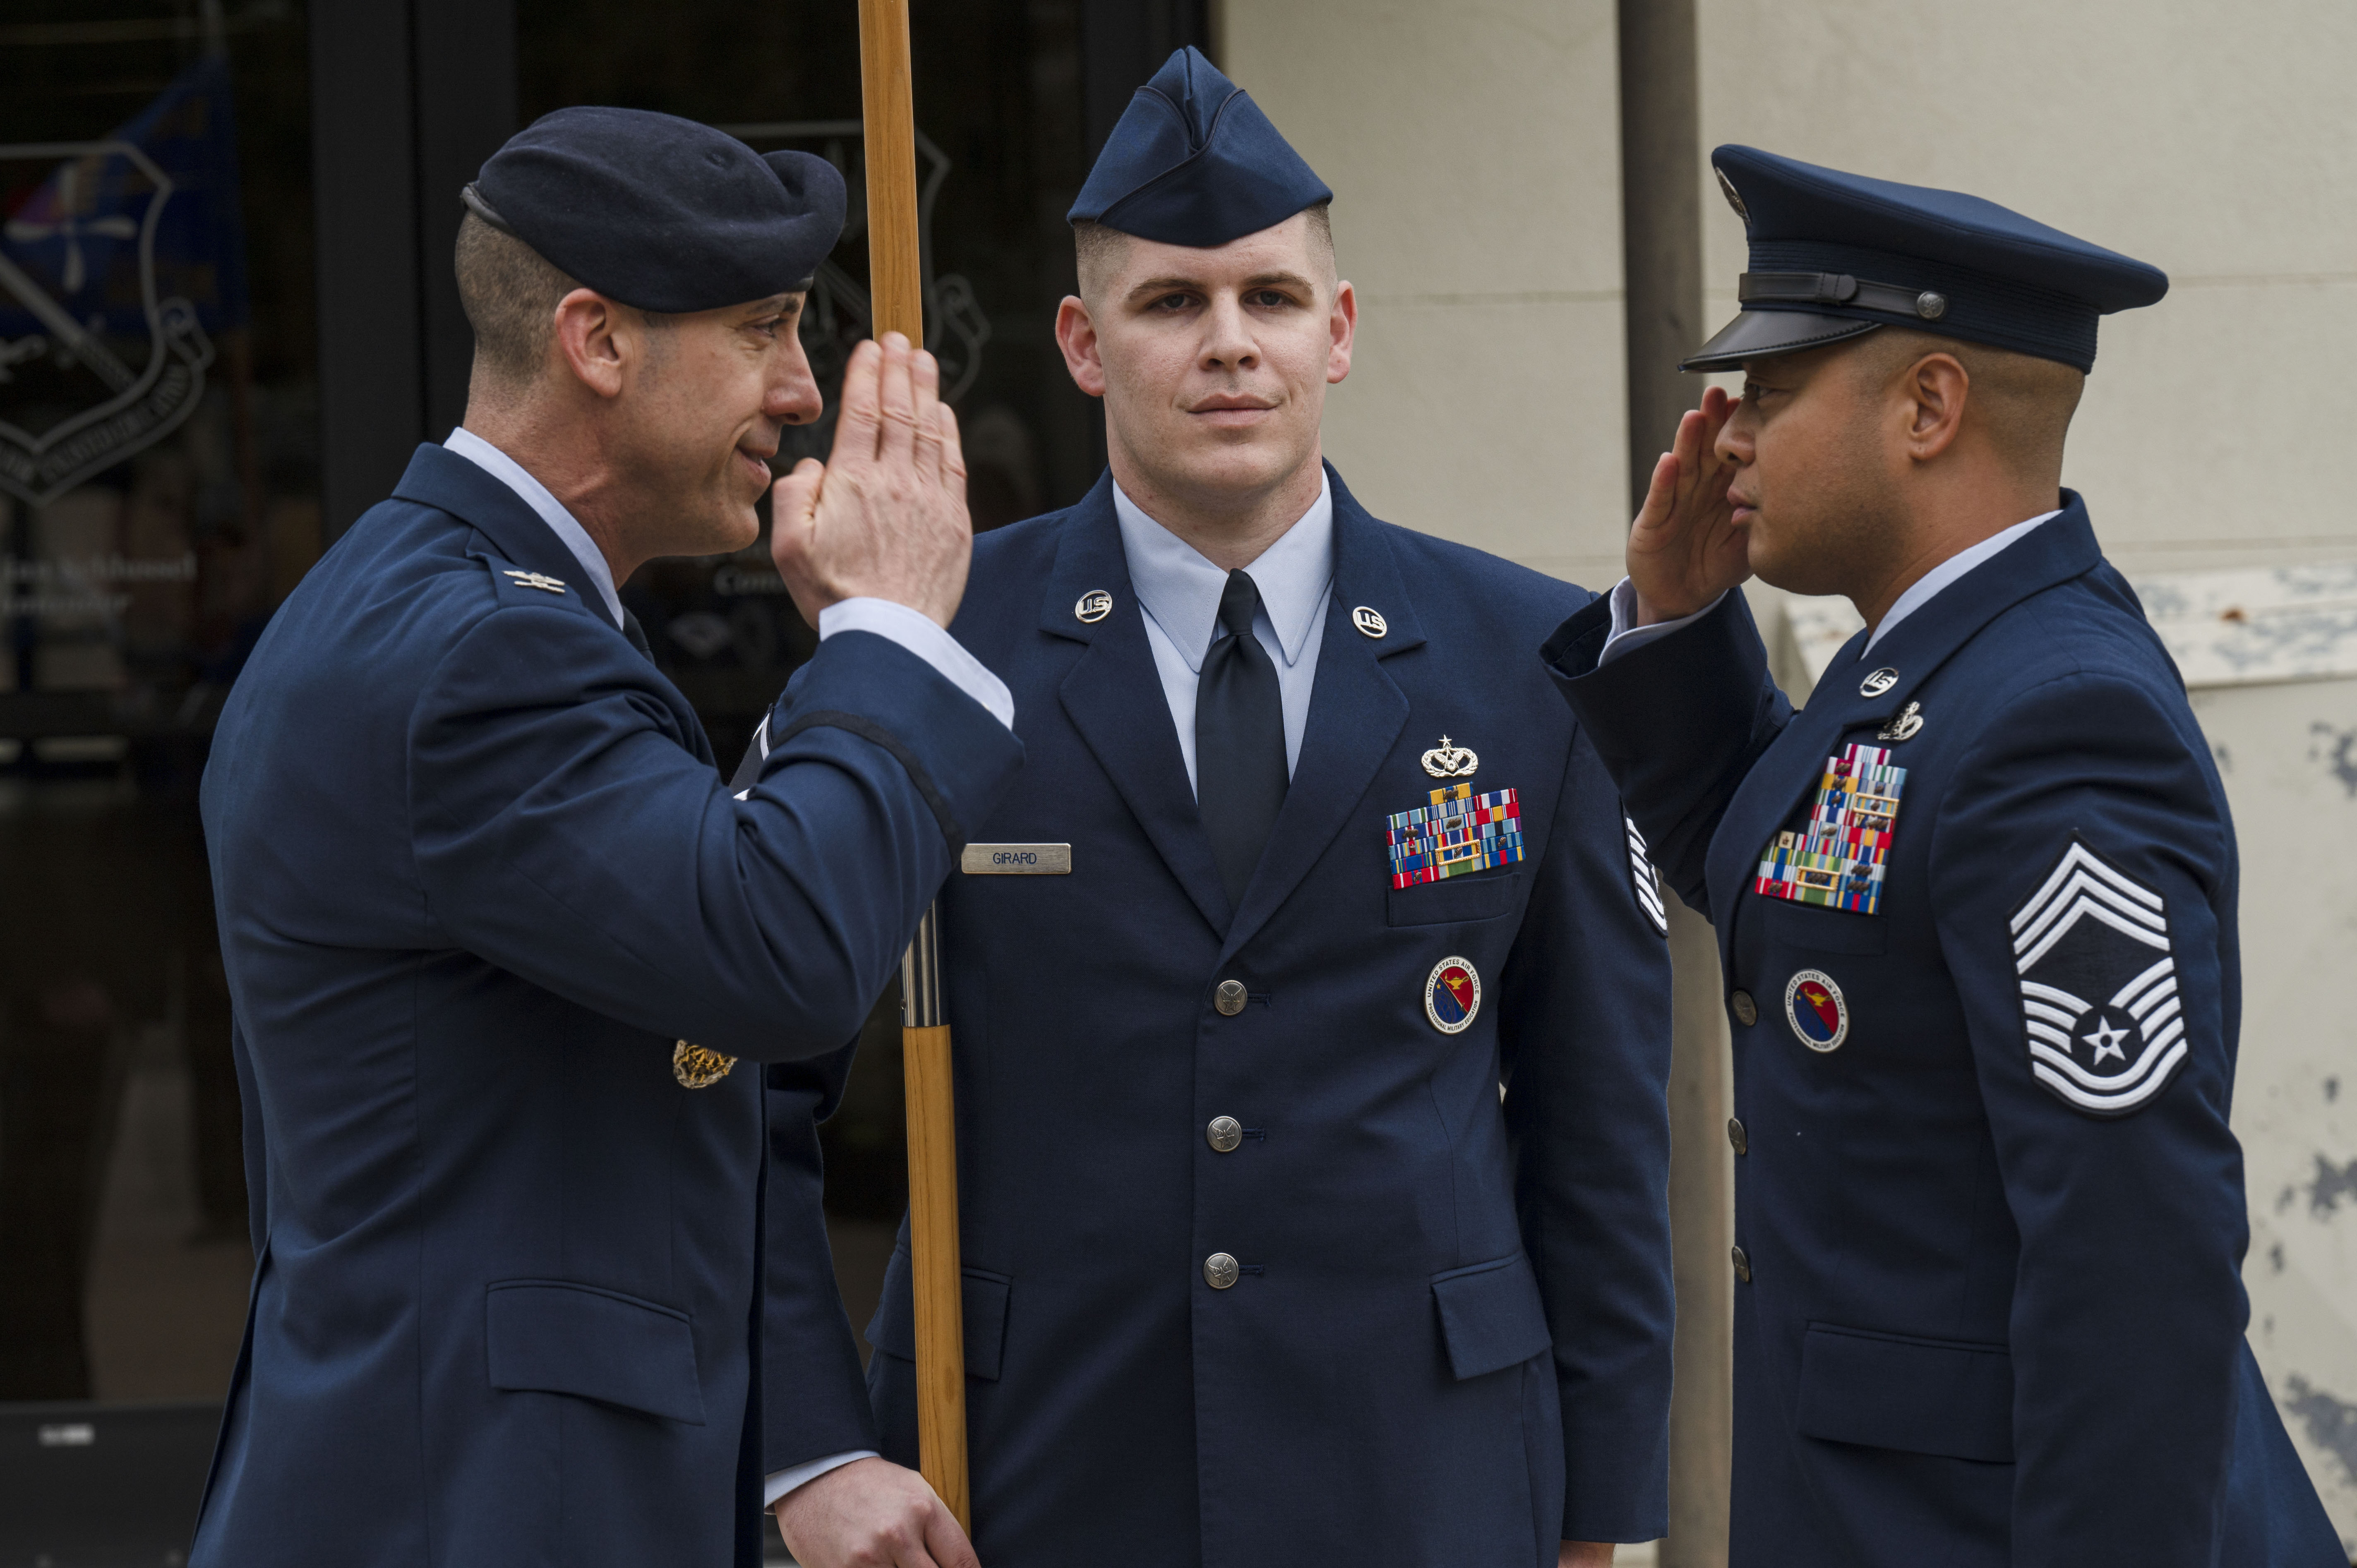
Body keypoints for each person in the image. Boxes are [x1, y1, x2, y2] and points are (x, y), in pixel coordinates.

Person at [737, 48, 1675, 1566]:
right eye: (1172, 303)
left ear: (1342, 330)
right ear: (1082, 342)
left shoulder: (1531, 661)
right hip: (1031, 1482)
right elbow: (747, 1079)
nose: (1229, 345)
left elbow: (1604, 1132)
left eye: (1271, 299)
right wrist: (811, 1443)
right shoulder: (932, 639)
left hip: (1426, 1482)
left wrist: (1602, 1515)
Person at [194, 108, 1020, 1568]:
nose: (802, 389)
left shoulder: (467, 610)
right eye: (763, 327)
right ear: (597, 342)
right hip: (472, 1504)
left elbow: (697, 939)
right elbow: (780, 953)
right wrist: (891, 632)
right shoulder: (479, 654)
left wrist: (841, 671)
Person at [1542, 145, 2346, 1566]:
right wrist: (1673, 636)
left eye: (1772, 391)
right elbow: (1796, 892)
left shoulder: (2055, 719)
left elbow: (2132, 1270)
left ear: (1929, 405)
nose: (1724, 432)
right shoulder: (1923, 666)